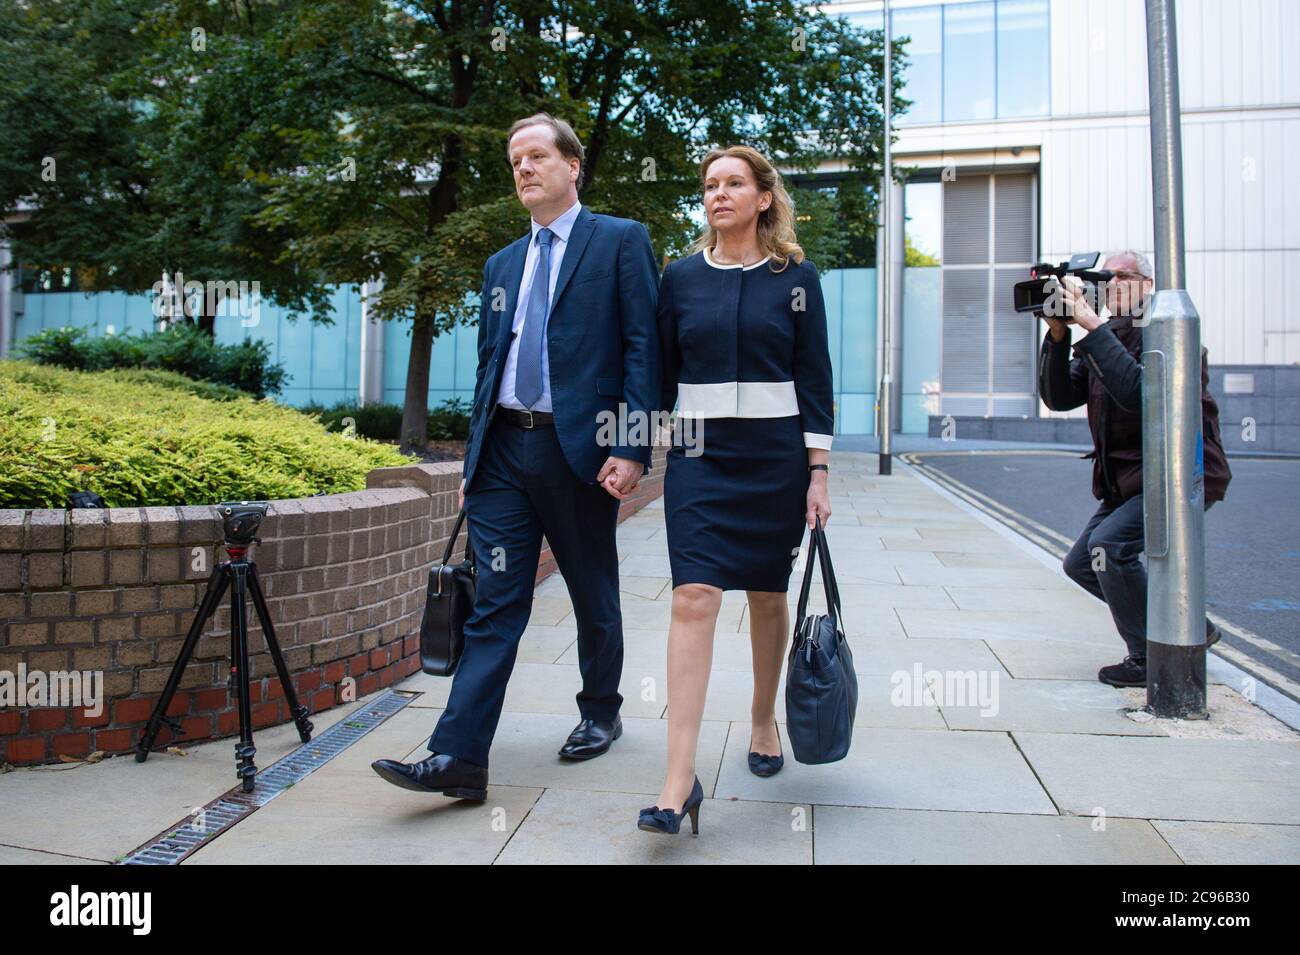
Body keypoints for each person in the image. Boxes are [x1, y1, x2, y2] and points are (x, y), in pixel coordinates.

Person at [372, 113, 660, 800]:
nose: (524, 169)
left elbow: (646, 351)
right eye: (514, 161)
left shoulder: (619, 242)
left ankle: (601, 711)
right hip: (504, 449)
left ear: (573, 167)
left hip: (579, 452)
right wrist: (473, 463)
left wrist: (632, 446)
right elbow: (488, 365)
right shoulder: (502, 263)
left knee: (593, 589)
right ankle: (458, 757)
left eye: (536, 156)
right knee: (495, 603)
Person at [638, 145, 834, 836]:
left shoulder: (796, 277)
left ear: (761, 198)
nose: (718, 194)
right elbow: (658, 374)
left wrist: (818, 470)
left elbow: (815, 377)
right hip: (698, 454)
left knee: (767, 593)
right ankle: (677, 779)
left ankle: (761, 717)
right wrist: (629, 447)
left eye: (733, 184)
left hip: (774, 456)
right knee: (693, 595)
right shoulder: (680, 278)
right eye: (710, 185)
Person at [1039, 250, 1231, 688]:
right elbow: (1061, 396)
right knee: (1084, 562)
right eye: (1106, 277)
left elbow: (1137, 393)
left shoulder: (1165, 332)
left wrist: (1090, 324)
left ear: (1148, 283)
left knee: (1110, 545)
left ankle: (1148, 657)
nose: (1111, 284)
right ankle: (1188, 630)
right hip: (1128, 482)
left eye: (1122, 275)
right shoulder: (1107, 335)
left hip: (1179, 476)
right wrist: (1056, 336)